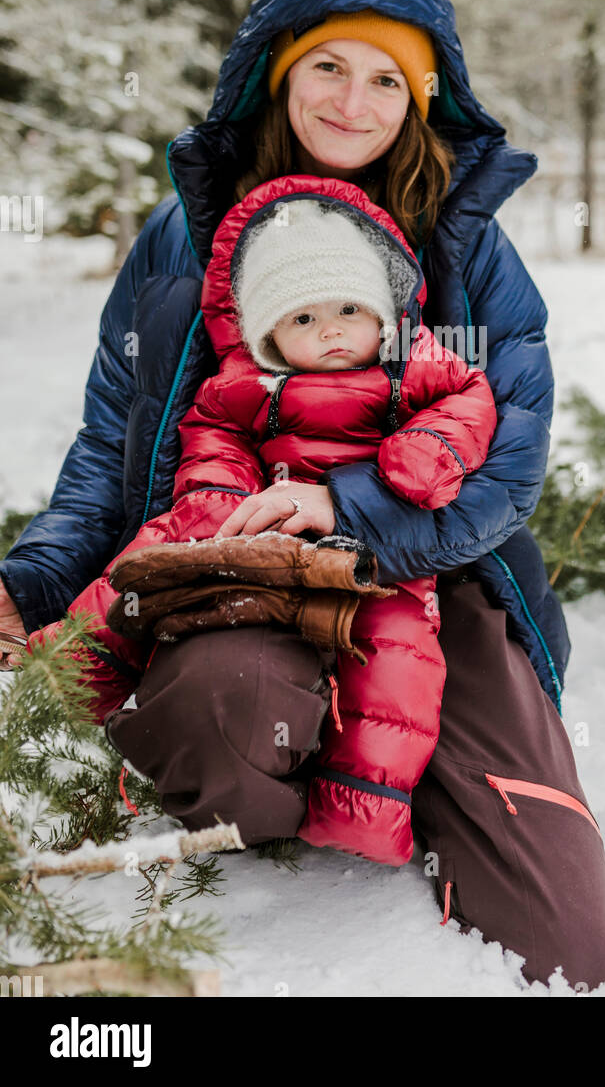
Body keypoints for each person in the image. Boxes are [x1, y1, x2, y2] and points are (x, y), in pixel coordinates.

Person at [0, 0, 605, 990]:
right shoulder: (182, 237)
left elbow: (505, 465)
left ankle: (422, 766)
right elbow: (114, 439)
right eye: (327, 67)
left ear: (421, 99)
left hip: (435, 575)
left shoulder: (466, 246)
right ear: (276, 72)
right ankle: (289, 765)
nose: (353, 101)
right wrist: (31, 583)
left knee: (563, 936)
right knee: (223, 727)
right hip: (228, 567)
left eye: (387, 79)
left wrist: (344, 511)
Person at [33, 179, 499, 869]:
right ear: (269, 333)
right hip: (263, 529)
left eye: (349, 308)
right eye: (303, 320)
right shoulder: (247, 387)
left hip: (372, 543)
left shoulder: (418, 367)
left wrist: (420, 459)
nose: (333, 330)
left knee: (395, 659)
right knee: (154, 560)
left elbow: (469, 402)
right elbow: (213, 435)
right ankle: (71, 672)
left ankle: (359, 806)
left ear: (384, 312)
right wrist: (218, 500)